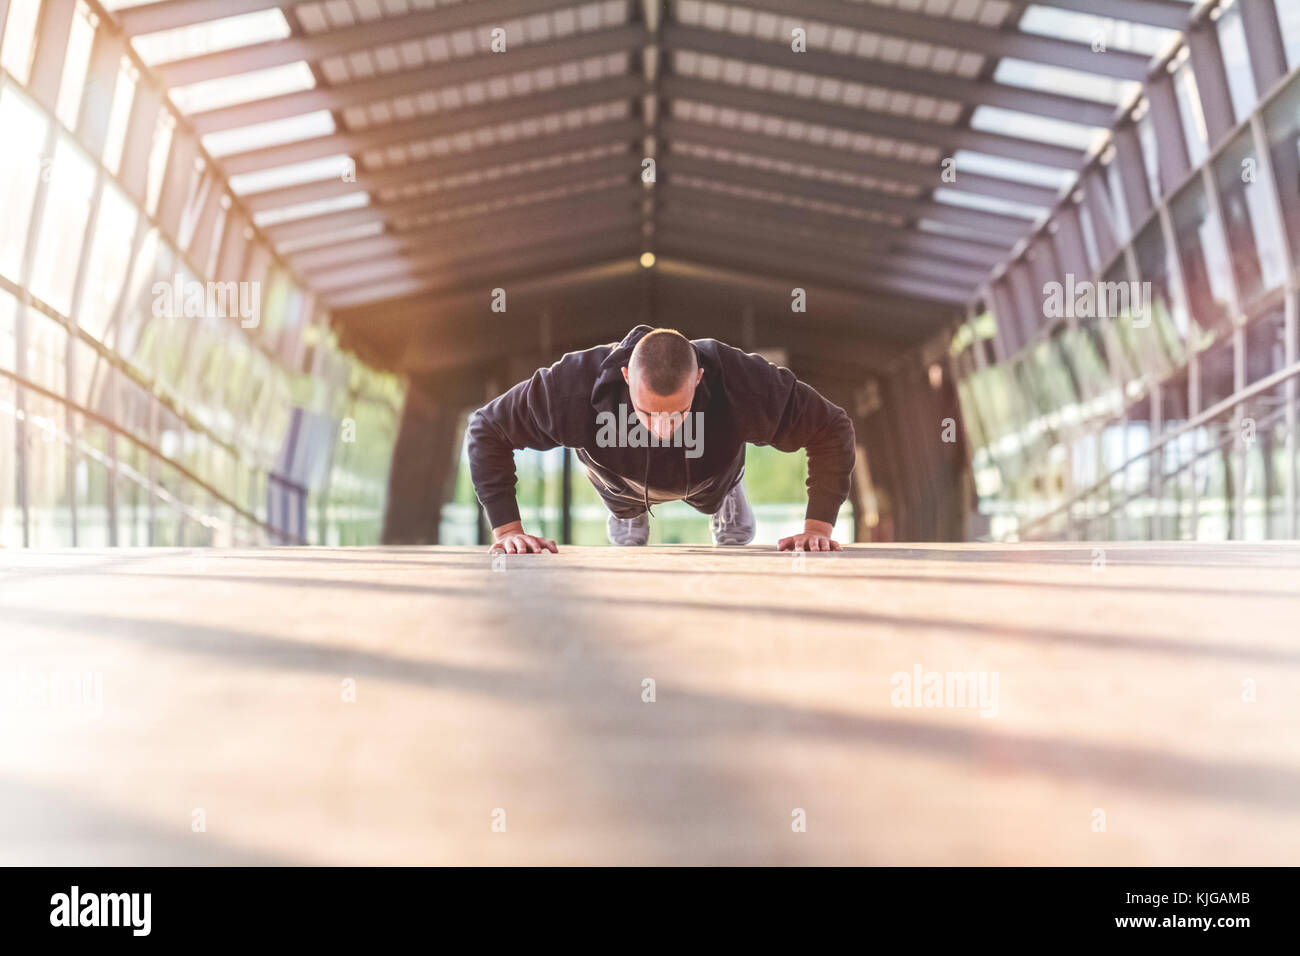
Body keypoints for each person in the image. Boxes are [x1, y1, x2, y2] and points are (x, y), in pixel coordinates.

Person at [468, 325, 856, 553]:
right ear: (625, 378)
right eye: (650, 412)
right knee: (627, 523)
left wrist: (818, 526)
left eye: (678, 412)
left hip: (711, 477)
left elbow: (831, 427)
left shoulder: (744, 383)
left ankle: (728, 495)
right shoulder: (572, 387)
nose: (665, 429)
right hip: (619, 482)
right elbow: (487, 428)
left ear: (699, 379)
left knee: (734, 527)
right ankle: (629, 512)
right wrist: (508, 531)